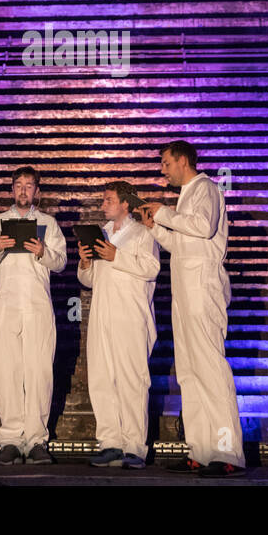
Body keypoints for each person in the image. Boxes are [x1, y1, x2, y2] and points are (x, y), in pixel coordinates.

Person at [138, 141, 246, 477]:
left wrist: (165, 213)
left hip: (203, 290)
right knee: (189, 372)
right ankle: (201, 449)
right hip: (184, 293)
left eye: (166, 163)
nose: (162, 170)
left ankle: (228, 452)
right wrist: (155, 227)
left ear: (183, 160)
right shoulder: (187, 195)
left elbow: (202, 227)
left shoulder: (207, 189)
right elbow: (181, 243)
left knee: (210, 369)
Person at [0, 166, 67, 464]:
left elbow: (62, 262)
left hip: (38, 305)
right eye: (19, 185)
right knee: (6, 371)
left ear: (37, 191)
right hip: (6, 306)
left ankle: (37, 439)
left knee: (39, 371)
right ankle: (11, 439)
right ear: (12, 190)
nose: (24, 191)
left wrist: (43, 251)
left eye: (29, 186)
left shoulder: (48, 223)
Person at [77, 181, 160, 469]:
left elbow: (151, 269)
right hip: (102, 315)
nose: (103, 205)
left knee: (132, 381)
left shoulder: (142, 233)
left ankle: (134, 447)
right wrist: (86, 264)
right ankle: (110, 443)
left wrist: (117, 256)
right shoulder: (100, 235)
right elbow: (89, 281)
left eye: (109, 200)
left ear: (125, 203)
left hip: (130, 317)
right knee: (102, 379)